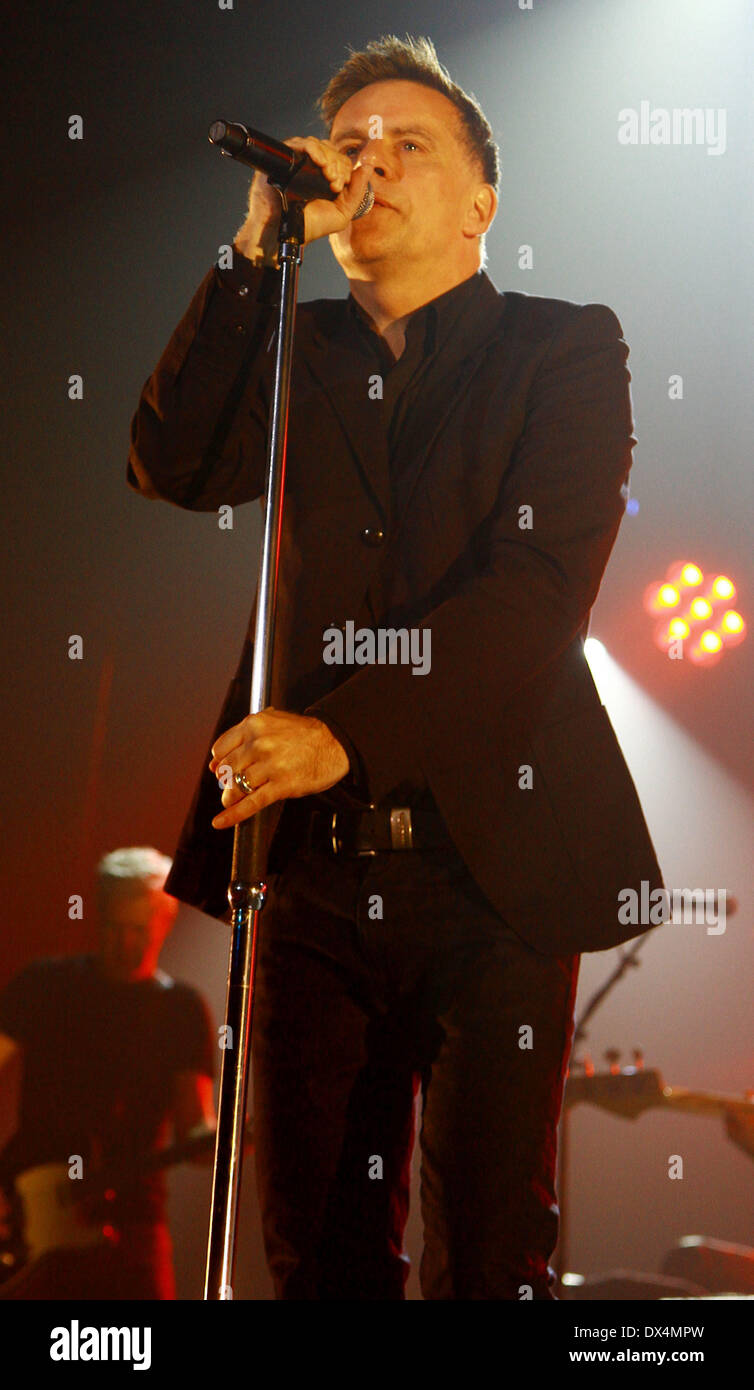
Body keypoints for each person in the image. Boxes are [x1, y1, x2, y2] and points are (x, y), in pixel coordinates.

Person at [127, 35, 665, 1299]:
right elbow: (174, 465)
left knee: (488, 1248)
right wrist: (259, 245)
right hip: (308, 865)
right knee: (316, 1248)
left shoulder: (564, 349)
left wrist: (344, 731)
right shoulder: (290, 346)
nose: (370, 162)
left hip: (499, 860)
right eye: (350, 143)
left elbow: (538, 598)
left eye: (406, 142)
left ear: (483, 201)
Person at [0, 847, 216, 1299]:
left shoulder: (181, 1010)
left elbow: (194, 1125)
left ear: (165, 923)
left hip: (134, 1224)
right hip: (24, 1217)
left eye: (136, 930)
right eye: (112, 927)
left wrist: (222, 1140)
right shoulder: (45, 985)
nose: (122, 944)